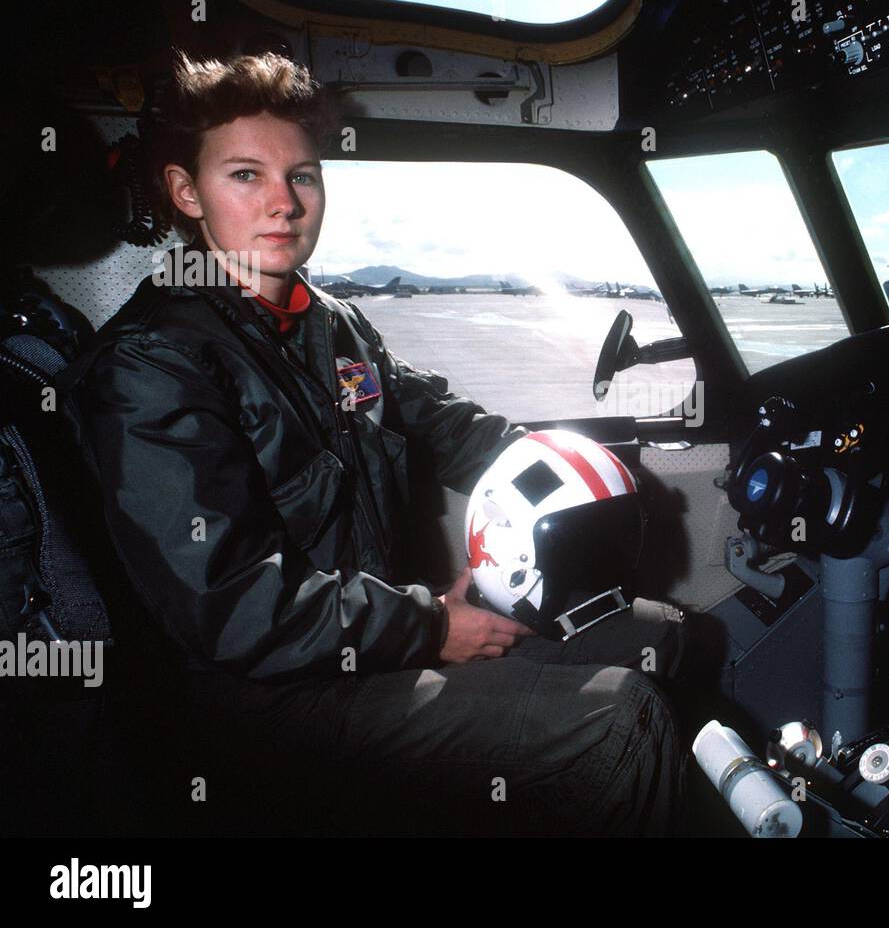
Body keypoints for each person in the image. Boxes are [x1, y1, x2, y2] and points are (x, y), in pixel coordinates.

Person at [60, 51, 690, 835]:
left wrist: (580, 474)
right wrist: (429, 625)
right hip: (263, 699)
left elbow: (453, 427)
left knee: (661, 633)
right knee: (621, 718)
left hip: (378, 638)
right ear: (187, 191)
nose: (283, 204)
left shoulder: (331, 322)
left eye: (305, 175)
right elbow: (231, 603)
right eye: (246, 175)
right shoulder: (153, 364)